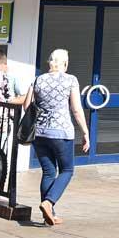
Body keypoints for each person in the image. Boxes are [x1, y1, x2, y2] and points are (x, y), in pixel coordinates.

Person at [18, 48, 89, 226]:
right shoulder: (71, 80)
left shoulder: (38, 79)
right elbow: (76, 109)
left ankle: (48, 214)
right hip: (61, 132)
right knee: (67, 170)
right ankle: (49, 203)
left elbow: (27, 106)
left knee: (49, 172)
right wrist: (85, 132)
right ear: (64, 63)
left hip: (39, 133)